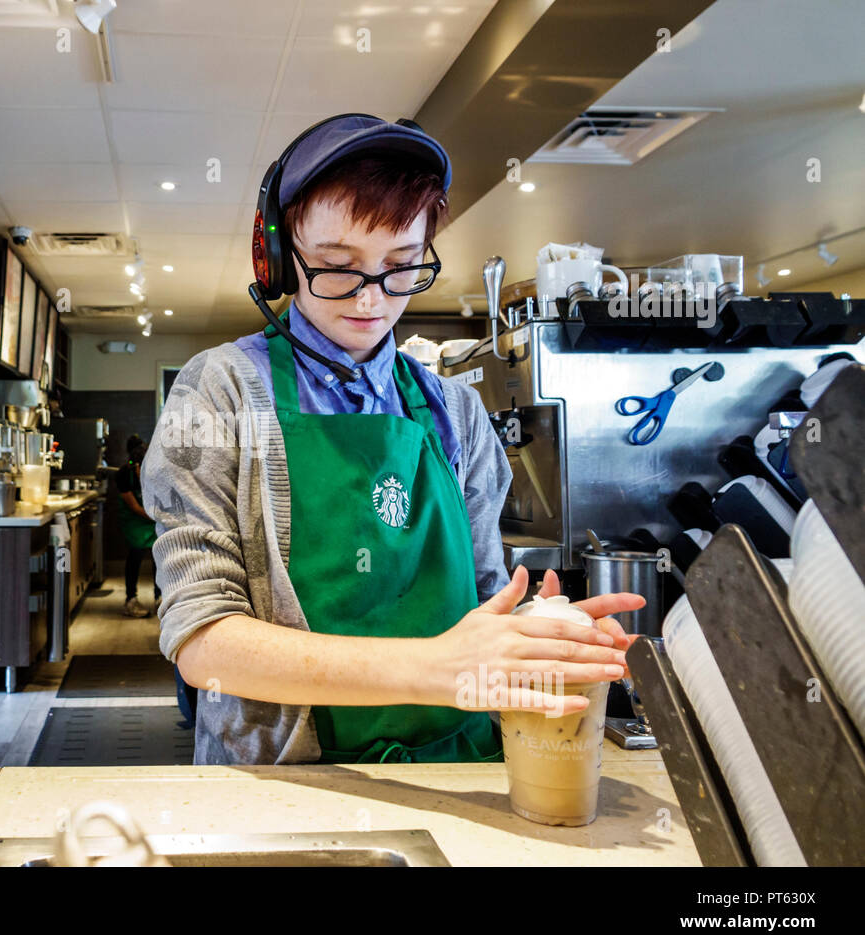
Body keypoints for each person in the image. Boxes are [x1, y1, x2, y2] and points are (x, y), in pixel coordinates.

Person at [140, 113, 644, 765]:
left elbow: (485, 602)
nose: (371, 299)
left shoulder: (456, 411)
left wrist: (544, 635)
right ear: (276, 255)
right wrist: (435, 667)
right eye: (335, 266)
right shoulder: (223, 391)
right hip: (289, 784)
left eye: (401, 267)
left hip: (463, 768)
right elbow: (204, 644)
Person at [116, 434, 161, 618]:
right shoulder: (123, 474)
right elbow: (134, 506)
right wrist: (155, 517)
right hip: (134, 519)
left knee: (159, 553)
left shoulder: (155, 470)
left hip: (152, 515)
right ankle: (130, 599)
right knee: (136, 553)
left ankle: (161, 597)